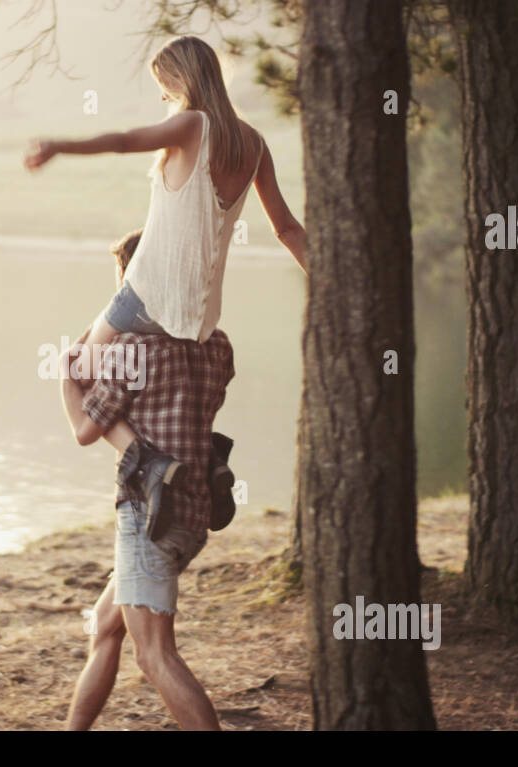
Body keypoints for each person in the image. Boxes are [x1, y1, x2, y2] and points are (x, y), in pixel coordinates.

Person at [25, 35, 307, 537]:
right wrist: (329, 283)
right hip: (200, 315)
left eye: (164, 84)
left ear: (183, 80)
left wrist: (59, 146)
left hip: (145, 295)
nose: (162, 97)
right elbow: (287, 228)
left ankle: (144, 462)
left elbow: (122, 140)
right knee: (151, 390)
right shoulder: (254, 144)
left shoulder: (191, 125)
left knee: (73, 371)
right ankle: (208, 460)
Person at [57, 313, 236, 731]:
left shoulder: (132, 350)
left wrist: (67, 378)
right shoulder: (217, 345)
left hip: (149, 517)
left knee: (154, 653)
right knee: (104, 626)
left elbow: (86, 429)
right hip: (192, 514)